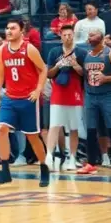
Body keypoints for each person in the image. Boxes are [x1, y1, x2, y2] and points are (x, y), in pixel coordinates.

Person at [0, 19, 50, 187]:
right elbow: (0, 74)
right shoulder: (2, 50)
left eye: (13, 28)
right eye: (7, 28)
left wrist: (38, 90)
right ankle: (5, 172)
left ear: (21, 31)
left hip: (27, 99)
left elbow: (43, 69)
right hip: (9, 97)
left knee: (32, 136)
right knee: (2, 129)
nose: (9, 31)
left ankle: (44, 167)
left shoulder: (29, 49)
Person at [77, 30, 111, 174]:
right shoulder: (86, 55)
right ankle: (91, 163)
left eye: (93, 35)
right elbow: (84, 75)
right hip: (91, 96)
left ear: (102, 38)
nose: (90, 37)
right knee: (91, 130)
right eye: (89, 35)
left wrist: (106, 79)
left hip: (107, 96)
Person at [45, 24, 85, 172]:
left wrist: (75, 65)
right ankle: (49, 156)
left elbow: (84, 74)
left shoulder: (81, 53)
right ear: (61, 36)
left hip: (75, 93)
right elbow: (49, 74)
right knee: (54, 126)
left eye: (70, 35)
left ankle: (72, 158)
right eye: (65, 35)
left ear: (73, 35)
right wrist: (58, 66)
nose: (67, 37)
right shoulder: (54, 52)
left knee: (74, 128)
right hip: (58, 93)